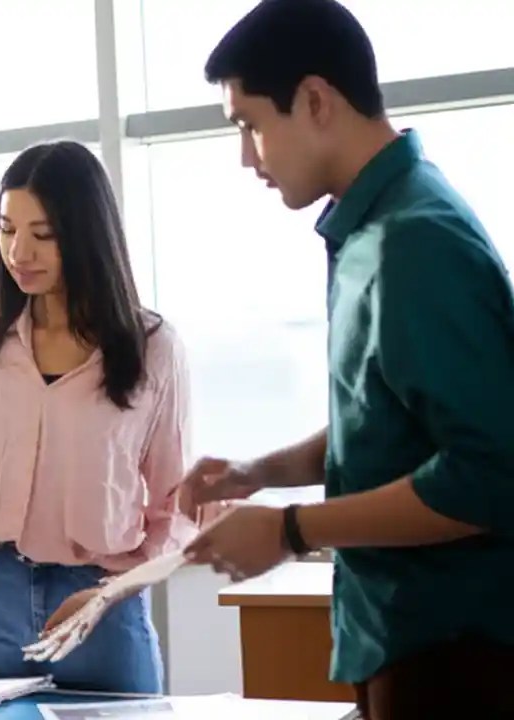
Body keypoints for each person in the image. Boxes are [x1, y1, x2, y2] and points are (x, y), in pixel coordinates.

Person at [175, 1, 514, 718]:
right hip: (402, 640)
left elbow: (487, 476)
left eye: (250, 125)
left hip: (454, 650)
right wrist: (258, 473)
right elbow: (389, 421)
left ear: (317, 101)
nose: (246, 156)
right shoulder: (372, 230)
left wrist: (290, 530)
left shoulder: (415, 242)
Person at [0, 140, 199, 693]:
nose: (19, 251)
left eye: (42, 234)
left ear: (87, 234)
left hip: (100, 605)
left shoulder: (154, 349)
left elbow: (178, 517)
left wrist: (108, 594)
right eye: (6, 230)